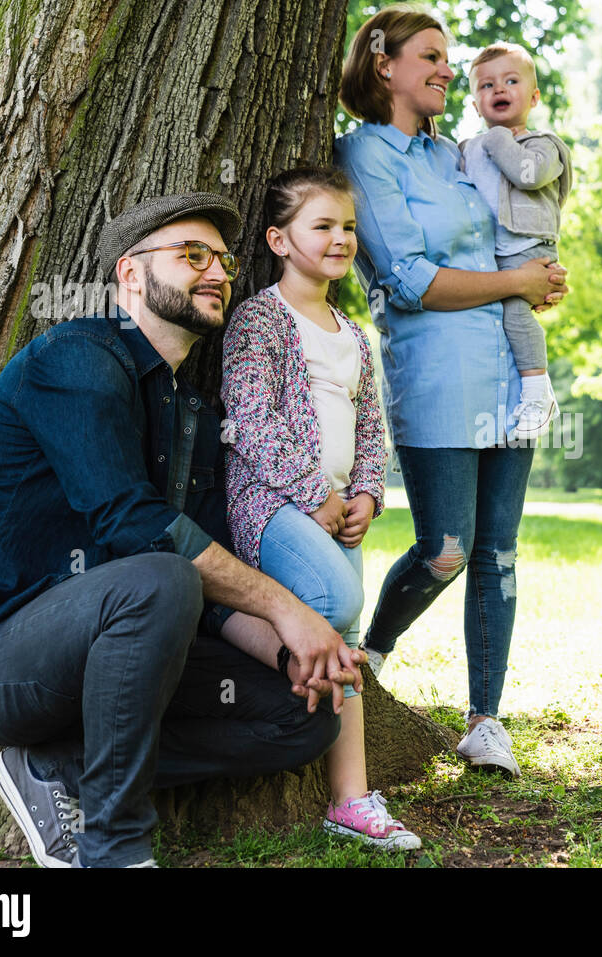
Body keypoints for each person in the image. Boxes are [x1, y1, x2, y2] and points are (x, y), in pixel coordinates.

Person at [0, 192, 364, 868]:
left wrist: (288, 650)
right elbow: (135, 527)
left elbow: (210, 594)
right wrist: (288, 606)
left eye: (221, 258)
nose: (217, 272)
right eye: (193, 255)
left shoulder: (194, 416)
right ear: (131, 273)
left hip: (123, 653)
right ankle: (116, 847)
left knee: (303, 714)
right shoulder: (76, 360)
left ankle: (61, 769)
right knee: (160, 573)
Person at [335, 6, 569, 777]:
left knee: (497, 554)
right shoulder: (364, 154)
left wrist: (540, 276)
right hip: (436, 378)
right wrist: (517, 280)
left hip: (508, 371)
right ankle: (369, 654)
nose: (446, 69)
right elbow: (408, 282)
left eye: (448, 58)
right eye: (431, 56)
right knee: (446, 549)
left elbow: (513, 237)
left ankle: (485, 720)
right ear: (383, 65)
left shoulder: (459, 155)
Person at [222, 166, 419, 850]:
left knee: (343, 635)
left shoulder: (354, 334)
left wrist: (366, 492)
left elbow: (371, 426)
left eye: (348, 227)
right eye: (323, 226)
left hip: (342, 512)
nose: (340, 238)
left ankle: (351, 798)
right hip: (274, 505)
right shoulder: (259, 319)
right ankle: (236, 623)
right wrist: (316, 494)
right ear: (279, 239)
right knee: (335, 608)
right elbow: (250, 421)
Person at [458, 41, 572, 440]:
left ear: (534, 96)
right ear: (475, 105)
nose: (499, 89)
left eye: (511, 80)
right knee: (488, 318)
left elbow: (527, 175)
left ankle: (539, 391)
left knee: (515, 314)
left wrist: (497, 139)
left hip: (530, 248)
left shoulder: (543, 145)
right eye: (486, 85)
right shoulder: (469, 149)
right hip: (490, 253)